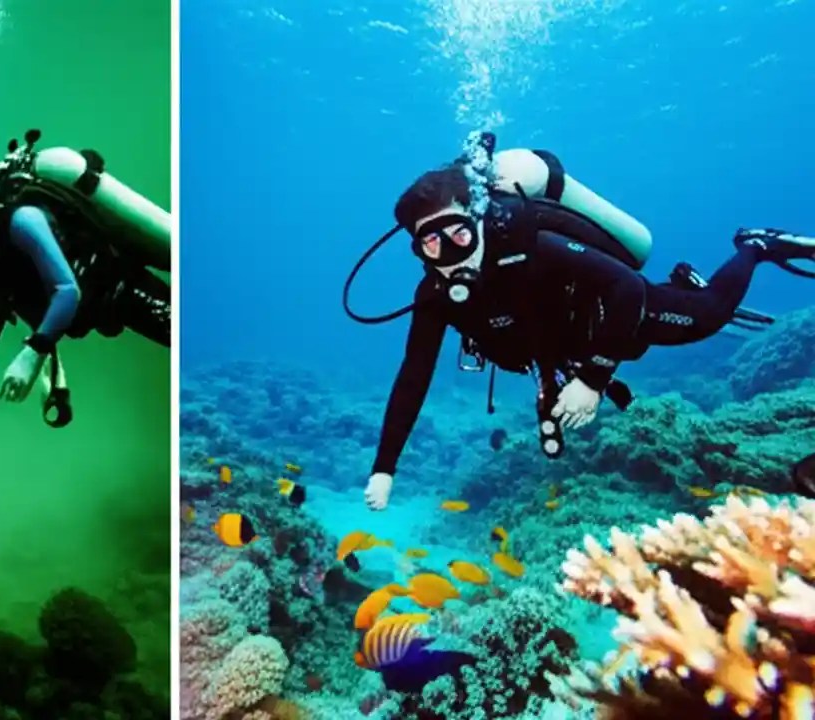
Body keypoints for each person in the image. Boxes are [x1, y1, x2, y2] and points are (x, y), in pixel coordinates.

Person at [345, 133, 814, 511]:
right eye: (431, 245)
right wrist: (384, 468)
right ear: (418, 251)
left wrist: (592, 379)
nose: (449, 255)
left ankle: (756, 245)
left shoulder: (530, 243)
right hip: (555, 343)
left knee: (709, 316)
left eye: (460, 235)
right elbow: (413, 378)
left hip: (607, 307)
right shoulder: (434, 296)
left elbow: (626, 288)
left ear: (479, 220)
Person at [0, 129, 171, 427]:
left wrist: (32, 355)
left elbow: (67, 291)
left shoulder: (17, 218)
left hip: (128, 295)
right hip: (108, 309)